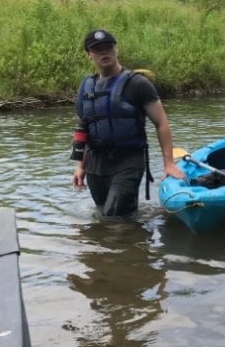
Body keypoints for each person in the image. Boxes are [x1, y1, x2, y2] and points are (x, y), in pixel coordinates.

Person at [71, 29, 185, 217]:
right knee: (103, 213)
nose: (104, 52)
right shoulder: (86, 86)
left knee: (114, 215)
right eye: (97, 49)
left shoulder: (137, 84)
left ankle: (133, 244)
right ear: (88, 54)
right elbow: (84, 129)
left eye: (107, 47)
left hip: (128, 160)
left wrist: (169, 164)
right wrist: (80, 167)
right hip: (95, 162)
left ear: (117, 49)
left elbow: (161, 123)